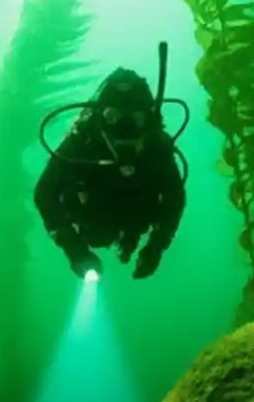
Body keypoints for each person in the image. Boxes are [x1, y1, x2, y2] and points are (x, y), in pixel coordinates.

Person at [34, 43, 190, 280]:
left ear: (149, 121)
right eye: (112, 117)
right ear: (99, 118)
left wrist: (157, 245)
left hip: (135, 218)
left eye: (137, 119)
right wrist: (74, 250)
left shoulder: (156, 146)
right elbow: (46, 193)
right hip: (90, 219)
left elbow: (174, 196)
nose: (124, 129)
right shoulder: (82, 142)